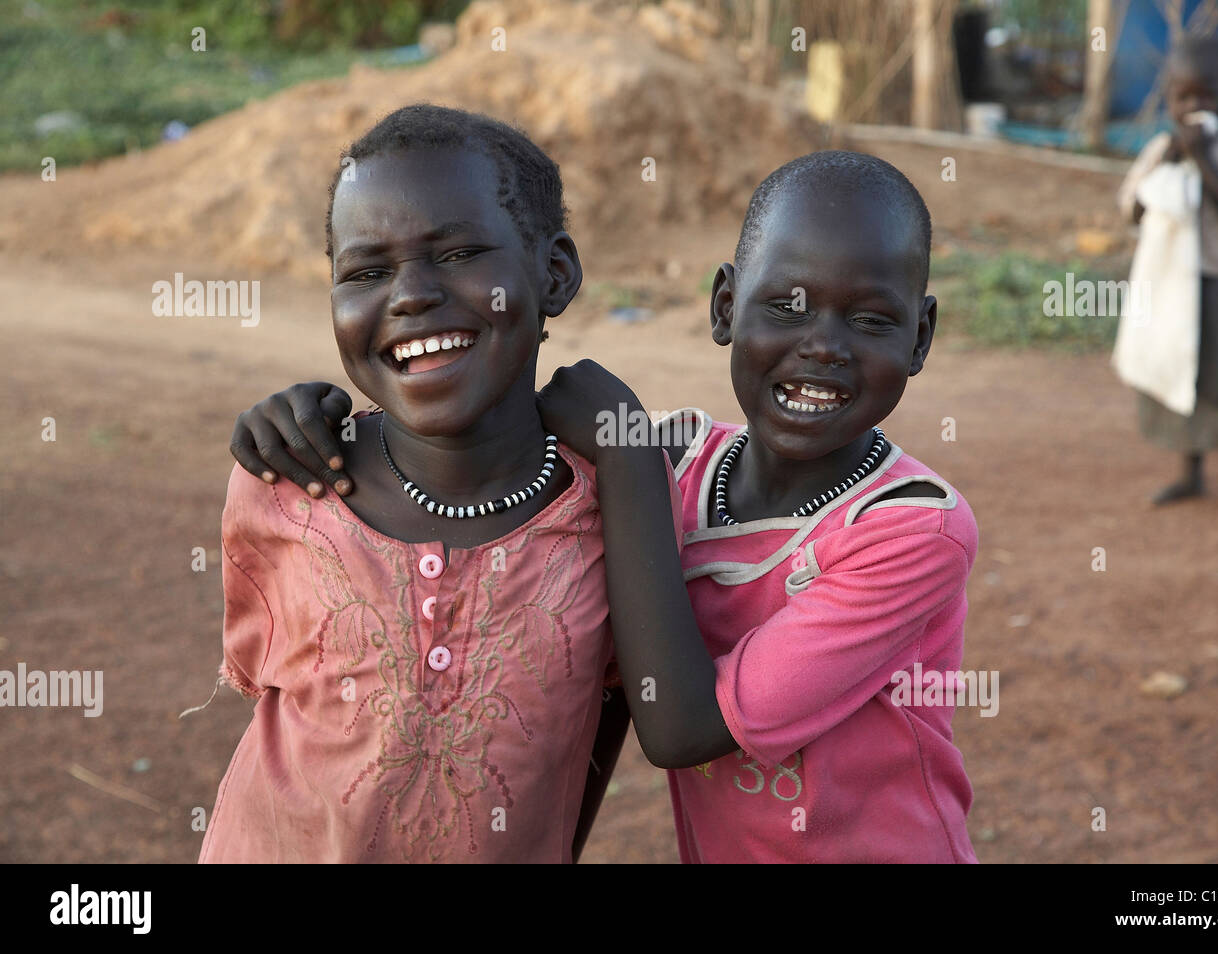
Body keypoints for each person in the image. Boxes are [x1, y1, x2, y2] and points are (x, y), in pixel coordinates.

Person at [241, 150, 980, 863]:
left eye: (872, 320)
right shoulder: (681, 465)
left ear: (921, 336)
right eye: (785, 306)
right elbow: (603, 693)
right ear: (725, 306)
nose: (824, 346)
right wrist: (299, 416)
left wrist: (626, 459)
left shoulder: (913, 529)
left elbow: (681, 727)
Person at [201, 104, 662, 863]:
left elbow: (603, 713)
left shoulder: (606, 508)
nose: (409, 294)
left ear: (554, 273)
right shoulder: (285, 491)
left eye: (456, 254)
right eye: (367, 272)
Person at [1117, 36, 1218, 521]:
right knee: (1180, 375)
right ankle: (1191, 473)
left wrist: (1203, 158)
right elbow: (1133, 209)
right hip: (1168, 288)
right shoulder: (1162, 148)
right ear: (1170, 101)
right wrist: (1170, 159)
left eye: (1206, 95)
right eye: (1184, 97)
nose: (1195, 106)